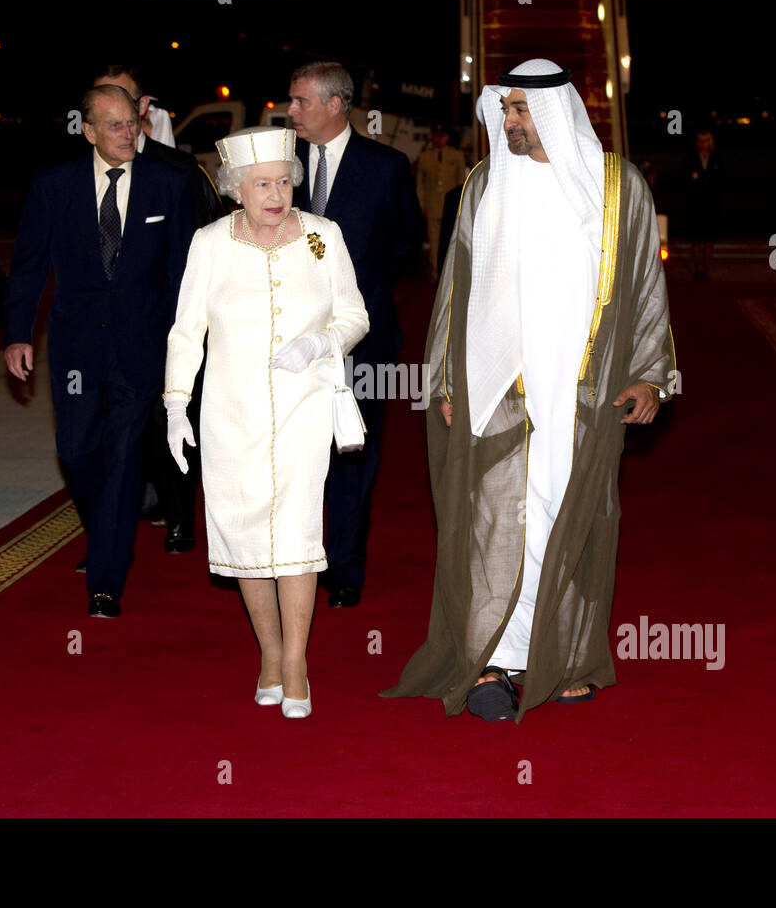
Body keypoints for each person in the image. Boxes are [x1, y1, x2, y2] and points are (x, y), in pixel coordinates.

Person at [382, 59, 676, 722]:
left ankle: (565, 654)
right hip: (500, 380)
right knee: (495, 516)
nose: (509, 121)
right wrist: (447, 377)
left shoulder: (617, 187)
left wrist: (651, 370)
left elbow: (643, 287)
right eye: (505, 109)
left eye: (520, 110)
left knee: (568, 516)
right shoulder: (487, 182)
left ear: (553, 112)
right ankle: (493, 656)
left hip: (581, 386)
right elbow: (456, 285)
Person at [164, 126, 369, 718]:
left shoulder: (321, 236)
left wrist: (321, 343)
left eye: (284, 181)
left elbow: (355, 314)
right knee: (243, 530)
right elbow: (186, 330)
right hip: (230, 410)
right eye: (262, 184)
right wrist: (177, 402)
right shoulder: (209, 242)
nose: (276, 194)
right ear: (235, 189)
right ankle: (270, 652)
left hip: (304, 405)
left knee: (298, 529)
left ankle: (298, 662)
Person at [4, 84, 195, 618]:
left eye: (132, 123)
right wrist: (19, 333)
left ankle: (107, 579)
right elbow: (29, 267)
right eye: (113, 125)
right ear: (87, 131)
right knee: (75, 450)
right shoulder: (54, 186)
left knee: (122, 457)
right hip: (75, 350)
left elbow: (184, 275)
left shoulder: (169, 184)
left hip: (143, 347)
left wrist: (188, 344)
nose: (127, 133)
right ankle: (110, 529)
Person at [288, 61, 423, 608]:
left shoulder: (385, 166)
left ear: (334, 104)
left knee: (352, 455)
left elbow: (408, 243)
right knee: (296, 455)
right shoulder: (280, 162)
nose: (290, 111)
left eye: (299, 101)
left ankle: (344, 566)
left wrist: (353, 290)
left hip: (361, 339)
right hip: (289, 338)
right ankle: (297, 558)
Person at [92, 64, 224, 555]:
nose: (120, 116)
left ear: (144, 108)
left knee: (171, 417)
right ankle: (123, 517)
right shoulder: (83, 170)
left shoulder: (178, 170)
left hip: (170, 326)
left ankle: (179, 513)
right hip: (108, 331)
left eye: (126, 103)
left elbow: (201, 248)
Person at [415, 124, 466, 278]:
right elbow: (420, 184)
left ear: (447, 138)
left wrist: (461, 203)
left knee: (452, 238)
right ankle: (436, 270)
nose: (439, 139)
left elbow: (461, 182)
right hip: (432, 205)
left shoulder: (457, 156)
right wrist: (421, 204)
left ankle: (450, 270)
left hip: (450, 206)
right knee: (434, 240)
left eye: (442, 136)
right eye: (436, 136)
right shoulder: (424, 157)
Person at [683, 128, 722, 281]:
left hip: (711, 206)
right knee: (696, 240)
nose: (703, 144)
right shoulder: (691, 159)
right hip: (695, 206)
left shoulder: (716, 159)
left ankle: (706, 269)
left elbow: (720, 182)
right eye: (700, 141)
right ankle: (698, 269)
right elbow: (686, 181)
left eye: (706, 141)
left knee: (708, 240)